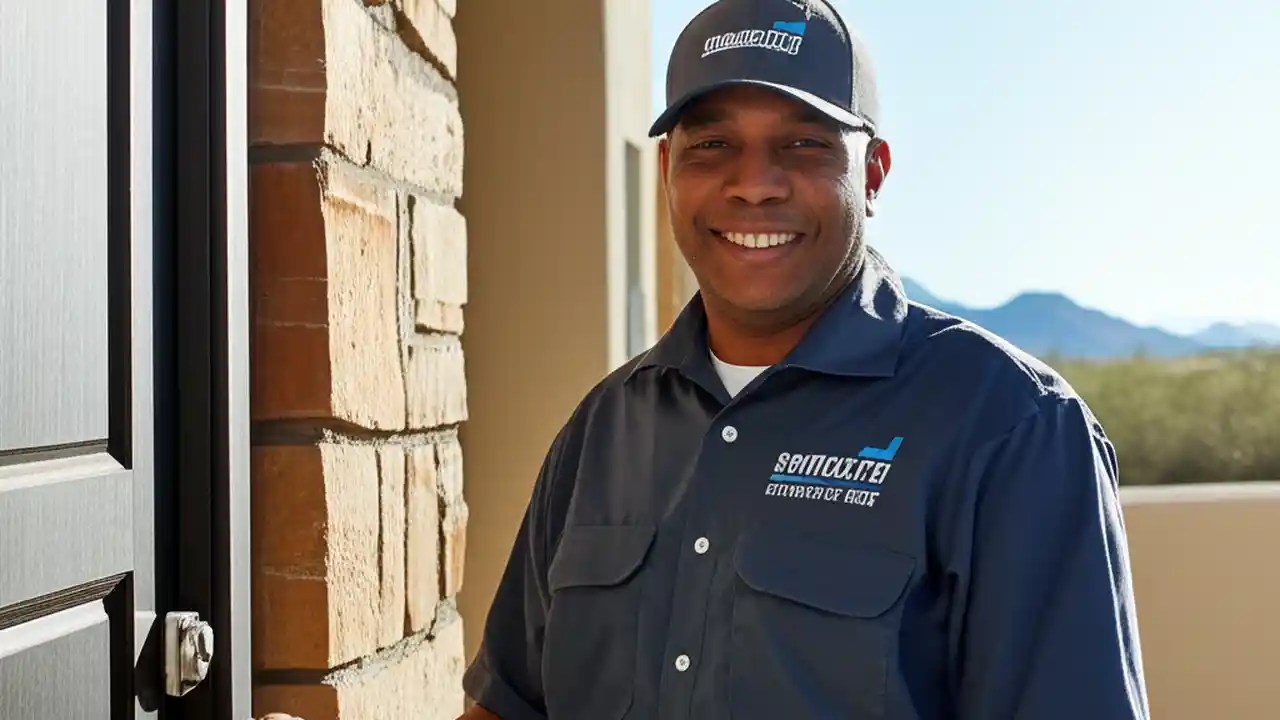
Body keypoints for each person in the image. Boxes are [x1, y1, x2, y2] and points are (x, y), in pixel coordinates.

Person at [458, 0, 1149, 717]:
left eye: (804, 145)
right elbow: (507, 705)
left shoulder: (1013, 429)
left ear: (873, 174)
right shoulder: (602, 431)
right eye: (712, 145)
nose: (754, 183)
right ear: (667, 168)